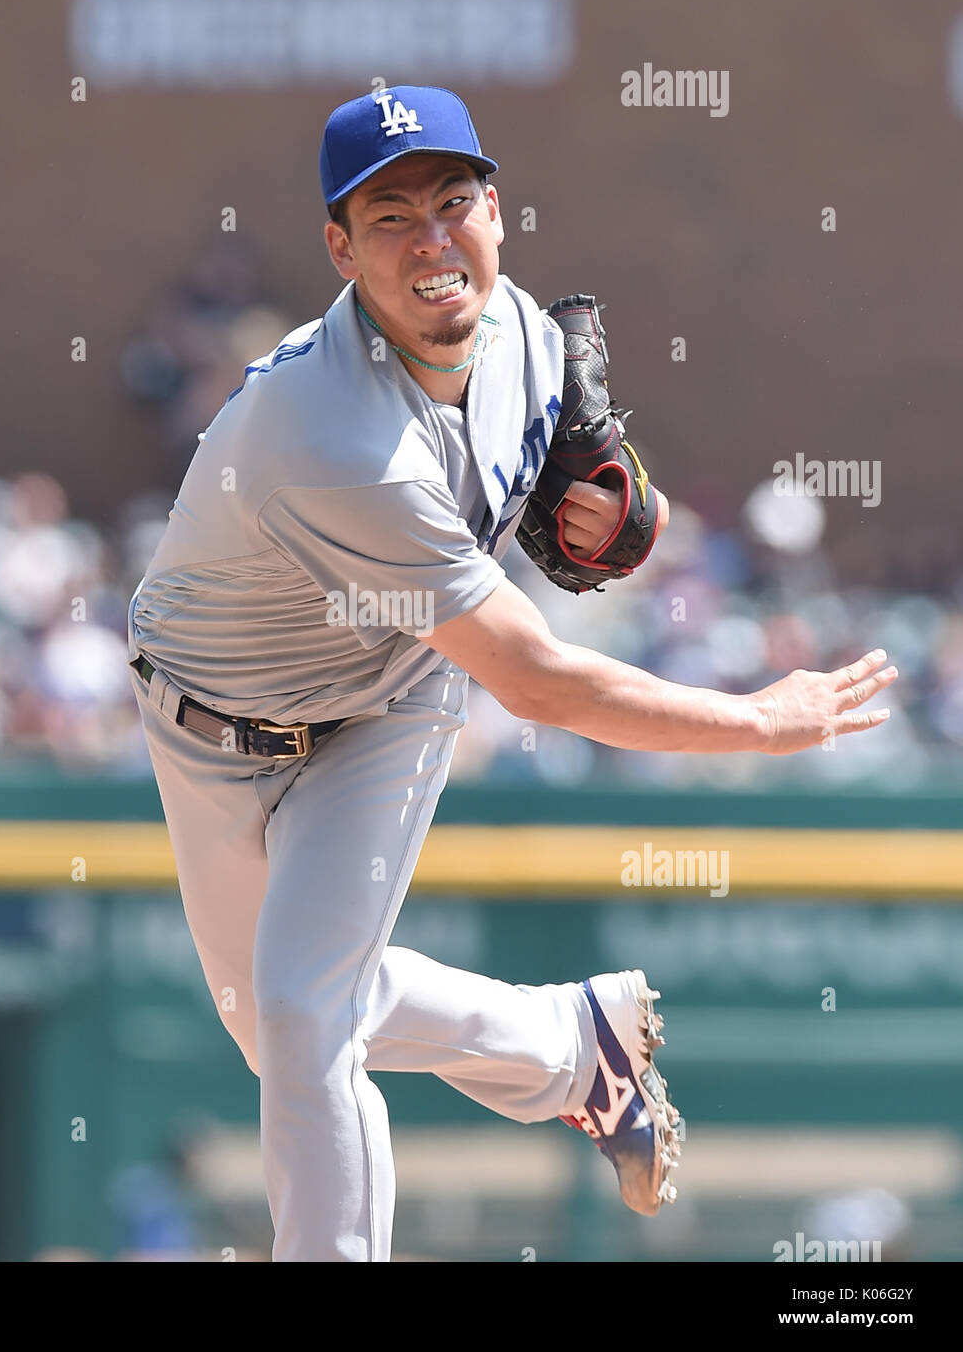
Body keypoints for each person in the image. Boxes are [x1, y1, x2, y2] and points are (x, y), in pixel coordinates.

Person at [126, 86, 897, 1262]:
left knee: (300, 1014)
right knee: (276, 1022)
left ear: (498, 208)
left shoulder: (528, 340)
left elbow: (600, 497)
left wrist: (628, 508)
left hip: (387, 699)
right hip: (209, 718)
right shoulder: (333, 431)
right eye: (389, 218)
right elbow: (536, 682)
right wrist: (757, 718)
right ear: (338, 250)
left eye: (452, 202)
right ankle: (565, 1045)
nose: (432, 239)